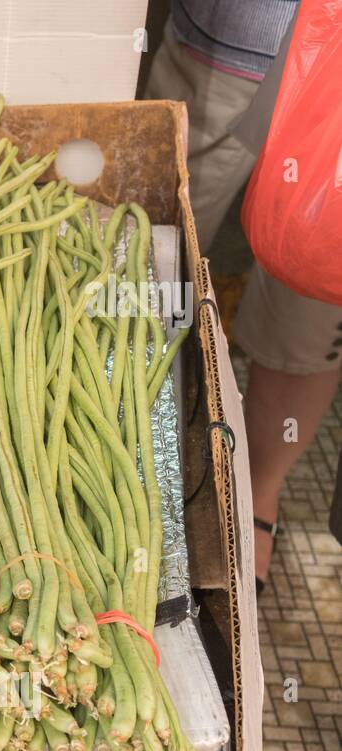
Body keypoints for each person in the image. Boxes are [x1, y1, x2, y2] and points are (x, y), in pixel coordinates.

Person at [144, 0, 342, 594]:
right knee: (152, 276)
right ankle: (142, 482)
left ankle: (258, 494)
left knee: (311, 307)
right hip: (228, 51)